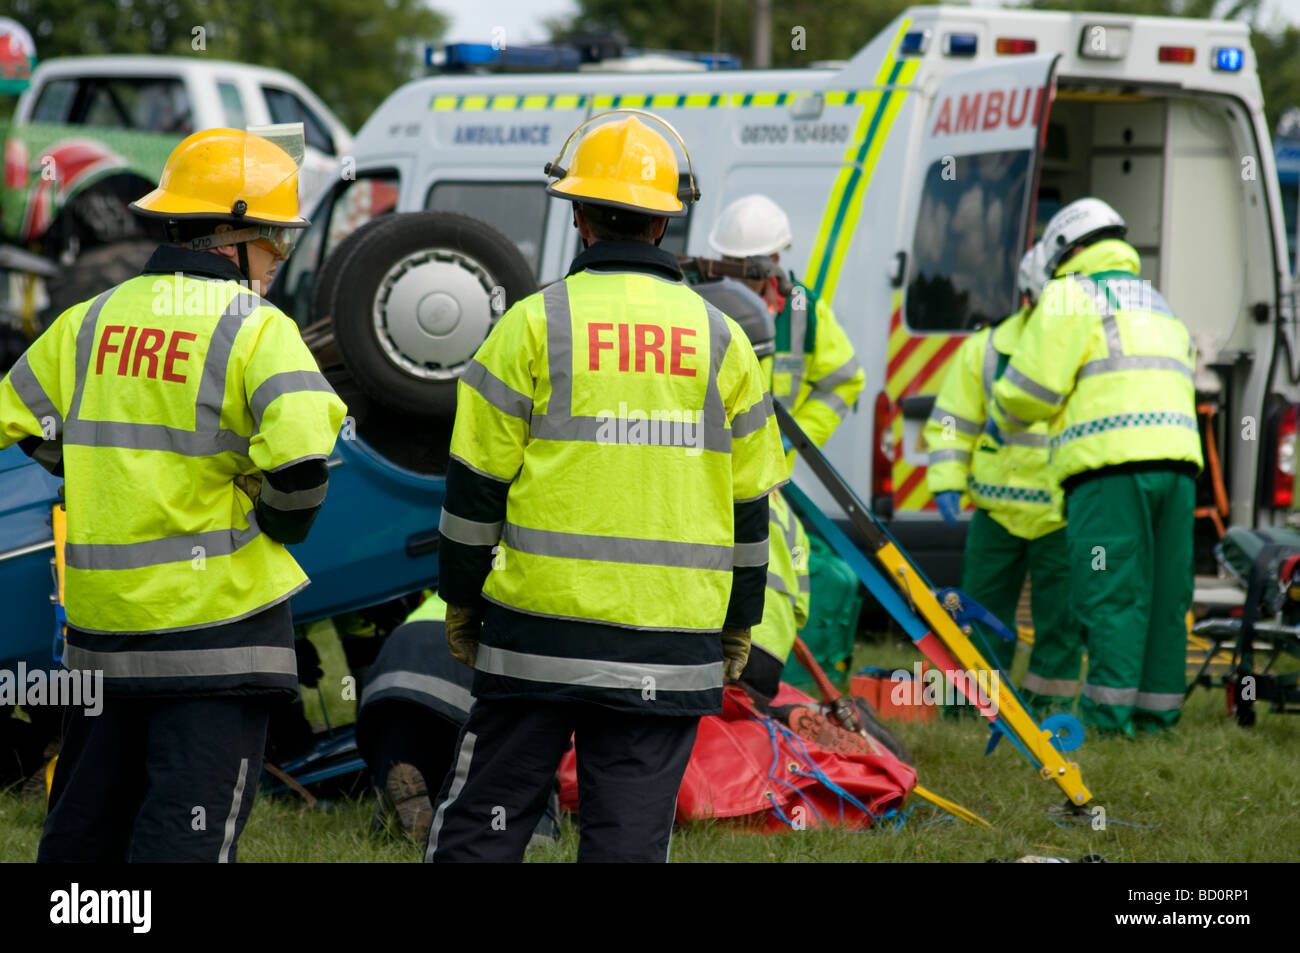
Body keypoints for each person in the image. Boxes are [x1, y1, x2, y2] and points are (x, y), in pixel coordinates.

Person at [428, 111, 788, 863]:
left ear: (580, 218)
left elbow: (472, 498)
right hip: (669, 646)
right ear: (664, 224)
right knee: (627, 840)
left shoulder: (529, 326)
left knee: (484, 825)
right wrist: (738, 625)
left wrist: (463, 603)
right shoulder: (724, 341)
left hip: (535, 641)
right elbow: (752, 513)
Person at [0, 127, 348, 861]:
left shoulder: (88, 320)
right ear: (234, 234)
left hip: (102, 641)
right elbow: (303, 469)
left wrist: (82, 462)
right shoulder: (257, 328)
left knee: (84, 835)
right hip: (218, 638)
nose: (277, 261)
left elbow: (18, 415)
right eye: (276, 243)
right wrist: (276, 525)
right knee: (180, 842)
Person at [990, 198, 1203, 736]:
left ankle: (1108, 722)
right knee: (1163, 595)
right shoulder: (1156, 301)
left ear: (1067, 250)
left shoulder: (1070, 293)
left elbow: (1029, 389)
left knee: (1110, 591)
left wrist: (1002, 412)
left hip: (1109, 470)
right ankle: (1156, 717)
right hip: (1178, 468)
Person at [923, 244, 1084, 714]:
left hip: (1058, 512)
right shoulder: (987, 349)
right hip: (998, 512)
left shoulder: (1082, 348)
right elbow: (952, 421)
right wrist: (947, 479)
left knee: (1060, 622)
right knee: (976, 614)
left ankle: (1043, 714)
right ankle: (969, 707)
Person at [356, 592, 560, 848]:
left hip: (398, 655)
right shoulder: (540, 605)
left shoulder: (450, 583)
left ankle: (396, 803)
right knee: (526, 747)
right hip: (467, 648)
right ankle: (535, 833)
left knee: (412, 749)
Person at [708, 194, 864, 464]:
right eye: (728, 262)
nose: (735, 276)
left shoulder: (804, 309)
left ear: (774, 261)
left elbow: (846, 380)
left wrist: (796, 436)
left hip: (769, 483)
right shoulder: (701, 303)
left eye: (745, 268)